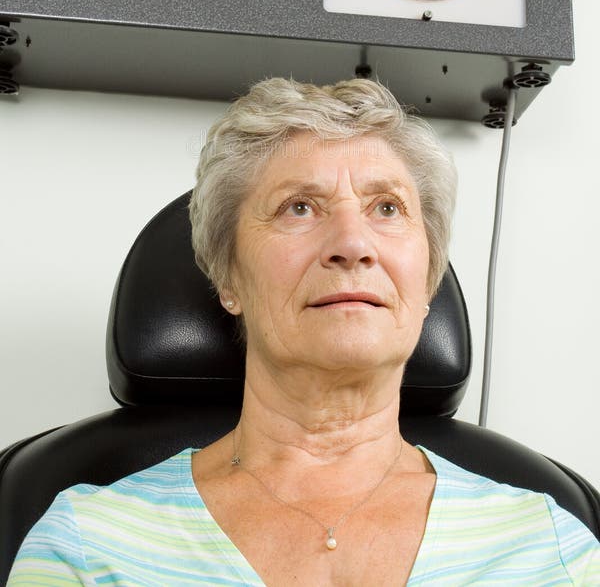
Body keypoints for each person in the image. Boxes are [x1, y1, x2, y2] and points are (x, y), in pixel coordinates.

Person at [8, 78, 600, 585]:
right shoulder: (87, 544)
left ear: (426, 283)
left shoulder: (551, 548)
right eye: (299, 207)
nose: (352, 245)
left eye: (387, 208)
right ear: (229, 276)